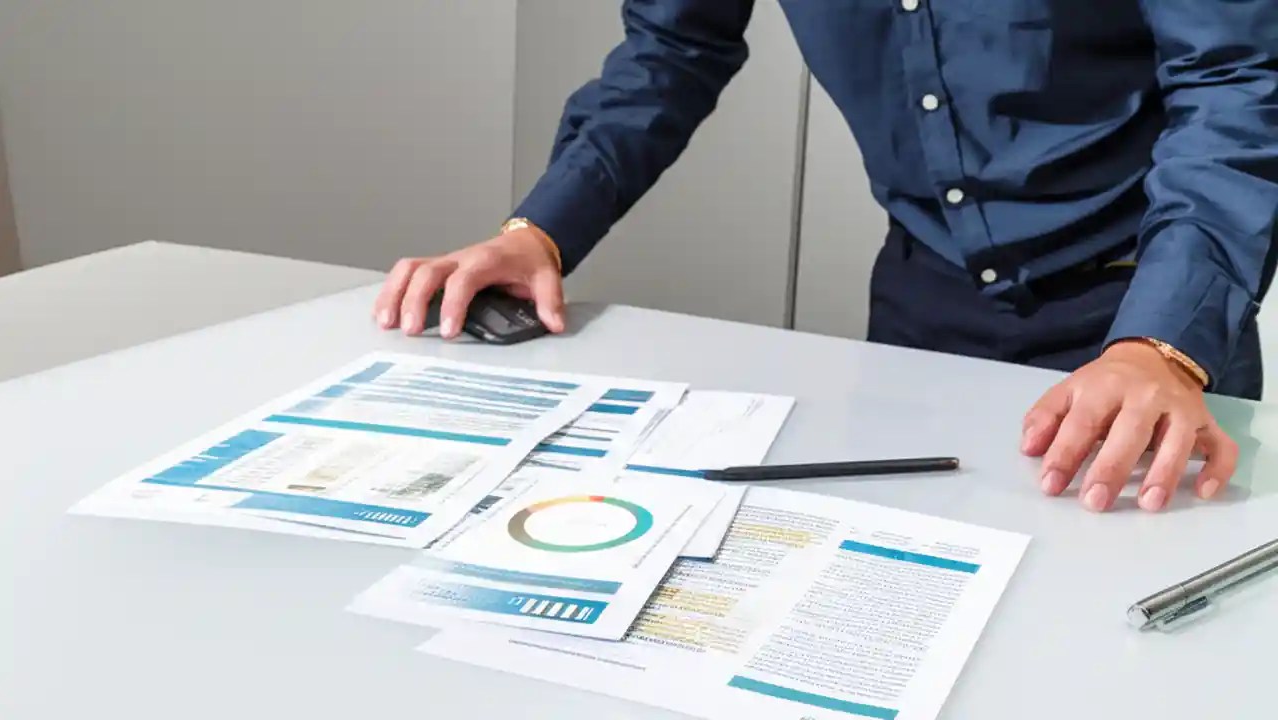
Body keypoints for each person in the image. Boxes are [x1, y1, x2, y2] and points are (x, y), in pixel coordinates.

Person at [373, 1, 1278, 514]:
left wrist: (1159, 342)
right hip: (918, 318)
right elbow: (673, 46)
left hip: (1146, 329)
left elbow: (1235, 83)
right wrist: (538, 231)